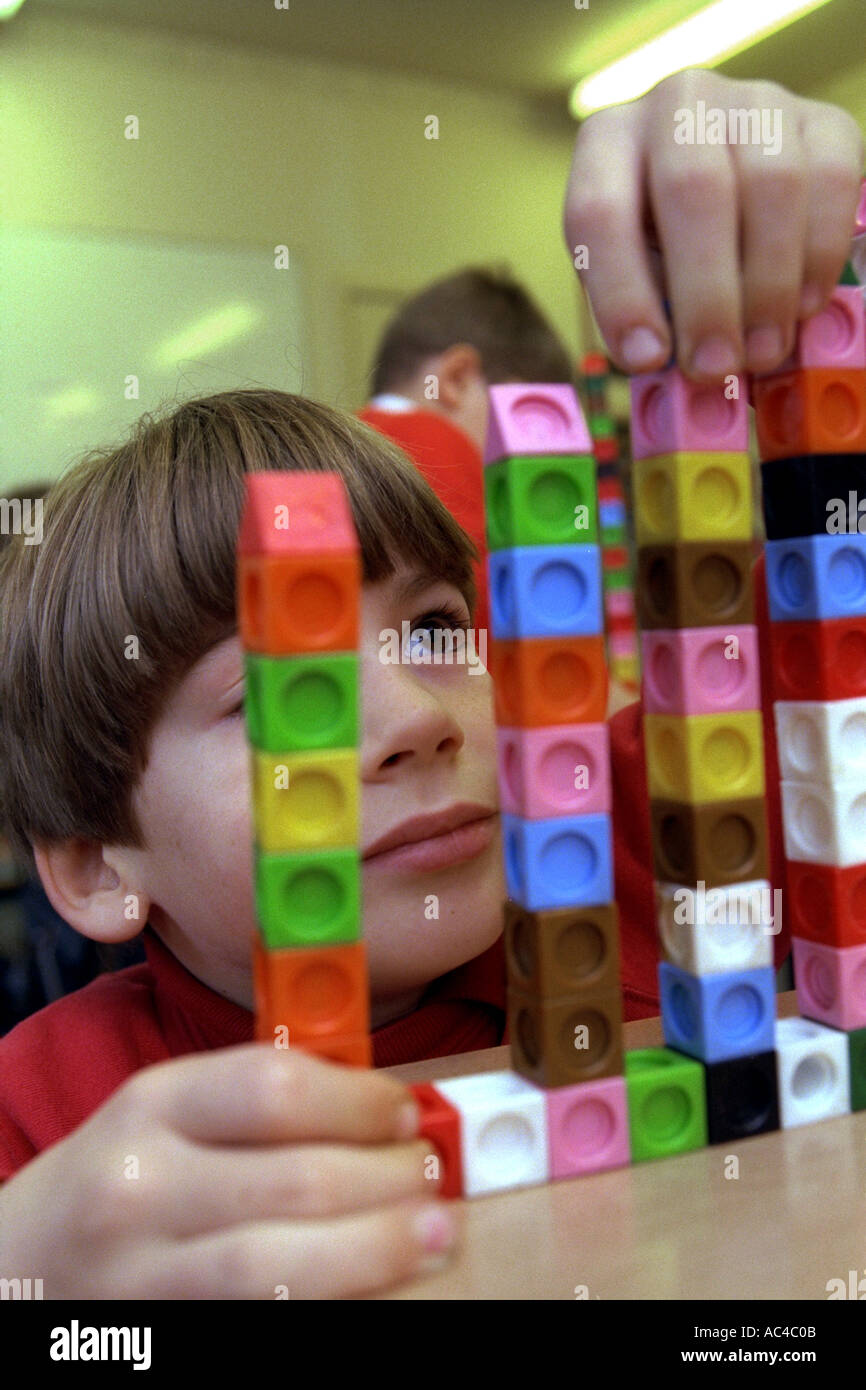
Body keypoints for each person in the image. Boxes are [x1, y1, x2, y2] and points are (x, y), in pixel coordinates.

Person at [0, 68, 860, 1300]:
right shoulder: (56, 1121)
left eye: (439, 631)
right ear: (95, 865)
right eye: (276, 692)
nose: (411, 722)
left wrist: (776, 226)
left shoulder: (649, 837)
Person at [360, 266, 576, 634]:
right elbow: (492, 631)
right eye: (527, 422)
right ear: (457, 378)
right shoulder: (437, 443)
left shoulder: (335, 443)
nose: (531, 453)